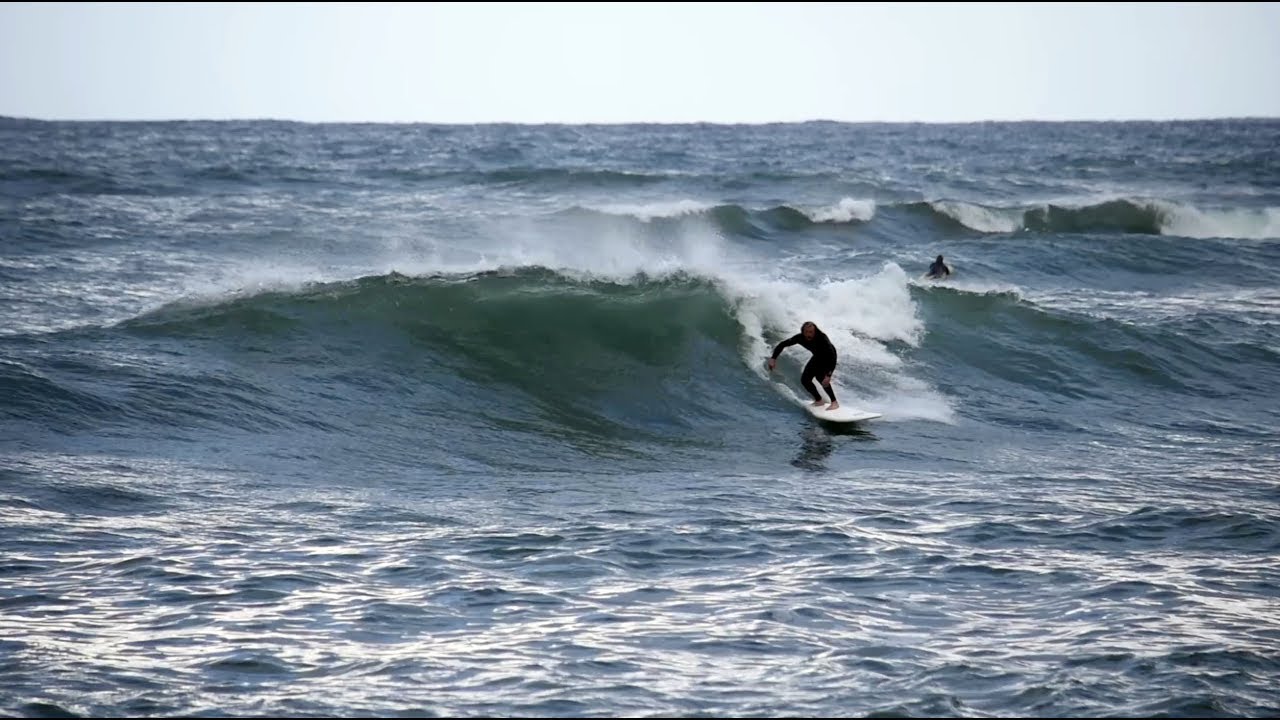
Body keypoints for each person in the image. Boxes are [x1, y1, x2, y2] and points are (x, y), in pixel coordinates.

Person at [767, 321, 839, 410]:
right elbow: (783, 344)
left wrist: (828, 375)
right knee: (805, 380)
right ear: (803, 331)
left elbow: (832, 356)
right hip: (817, 357)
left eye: (811, 332)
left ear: (815, 331)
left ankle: (834, 402)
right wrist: (773, 358)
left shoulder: (822, 338)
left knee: (821, 379)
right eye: (806, 332)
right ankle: (819, 400)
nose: (809, 334)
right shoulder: (800, 338)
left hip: (828, 357)